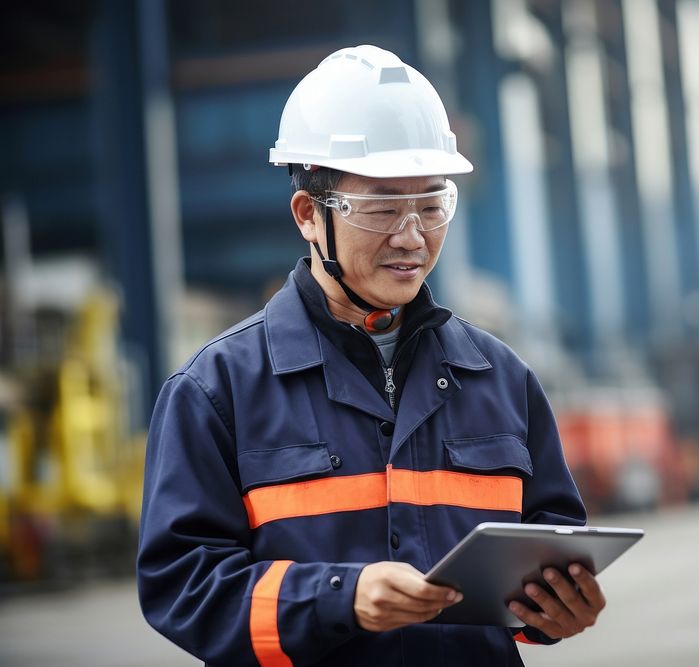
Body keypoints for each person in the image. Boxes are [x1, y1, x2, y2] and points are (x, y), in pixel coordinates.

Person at [137, 45, 605, 666]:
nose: (412, 236)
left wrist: (557, 611)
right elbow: (183, 588)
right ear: (309, 215)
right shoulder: (216, 391)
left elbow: (551, 553)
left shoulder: (501, 379)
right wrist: (340, 599)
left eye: (432, 205)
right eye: (383, 207)